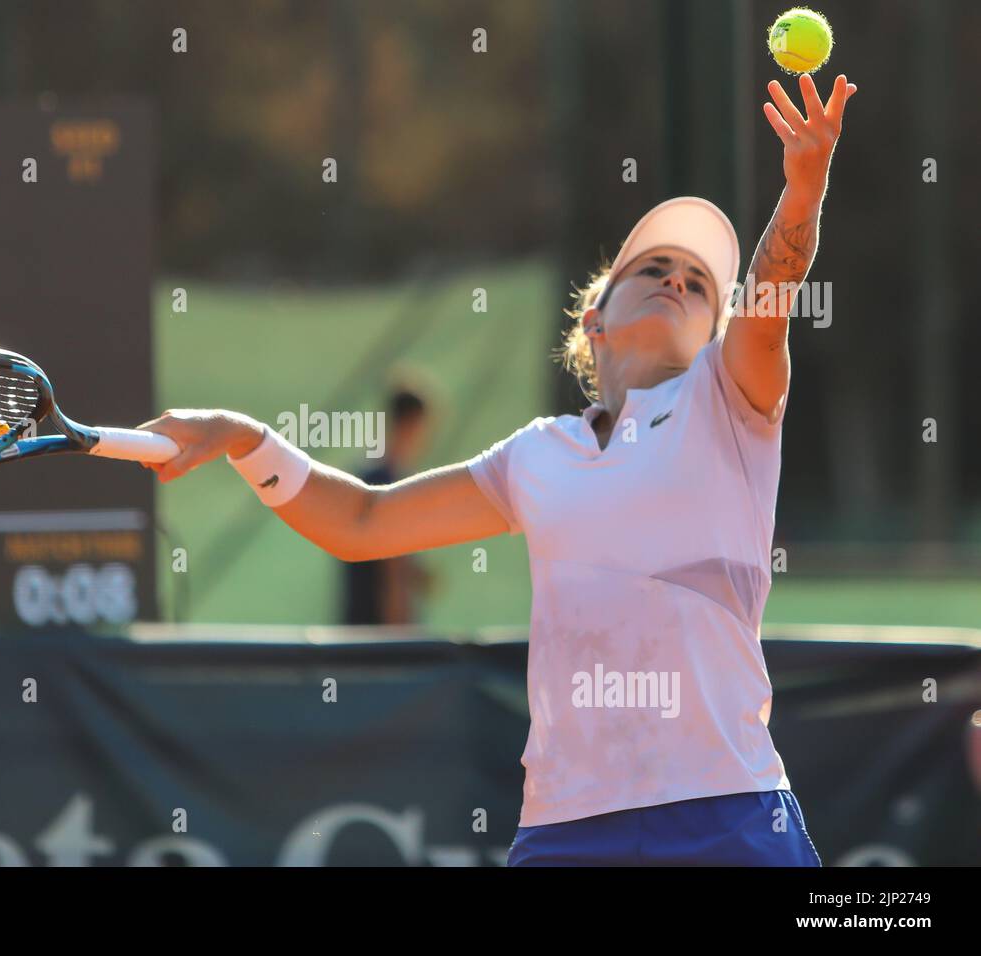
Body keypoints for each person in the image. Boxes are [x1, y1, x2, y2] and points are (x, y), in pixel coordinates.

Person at [137, 74, 855, 865]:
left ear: (714, 331)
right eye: (654, 270)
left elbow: (774, 290)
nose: (678, 282)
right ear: (596, 319)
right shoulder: (537, 454)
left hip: (731, 811)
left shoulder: (731, 394)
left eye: (697, 285)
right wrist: (244, 437)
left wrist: (801, 196)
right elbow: (361, 522)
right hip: (567, 827)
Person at [341, 386, 433, 625]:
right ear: (412, 423)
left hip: (356, 629)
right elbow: (393, 569)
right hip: (379, 634)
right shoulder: (391, 482)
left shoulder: (364, 476)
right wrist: (400, 638)